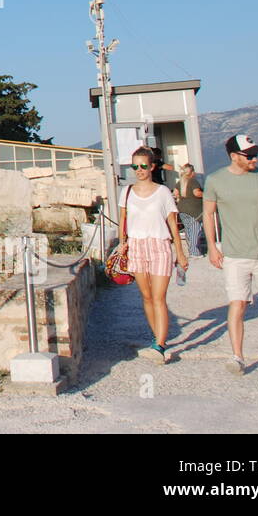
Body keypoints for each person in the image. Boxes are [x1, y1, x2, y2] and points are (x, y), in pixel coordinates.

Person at [203, 134, 258, 373]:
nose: (254, 158)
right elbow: (209, 215)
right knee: (237, 304)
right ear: (234, 156)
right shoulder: (215, 180)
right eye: (249, 155)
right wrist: (212, 247)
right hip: (235, 253)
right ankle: (237, 356)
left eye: (255, 154)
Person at [116, 145, 188, 363]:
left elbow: (173, 225)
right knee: (146, 297)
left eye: (143, 165)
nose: (139, 170)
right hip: (136, 245)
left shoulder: (163, 192)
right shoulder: (126, 192)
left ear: (152, 167)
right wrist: (122, 243)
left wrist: (180, 253)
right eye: (135, 166)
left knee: (159, 297)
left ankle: (160, 344)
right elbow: (123, 221)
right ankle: (157, 337)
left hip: (159, 245)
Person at [174, 164, 206, 256]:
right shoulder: (193, 181)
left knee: (188, 231)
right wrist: (206, 194)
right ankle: (195, 252)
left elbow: (175, 193)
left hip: (182, 209)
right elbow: (196, 193)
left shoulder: (180, 182)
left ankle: (191, 250)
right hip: (194, 210)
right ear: (192, 172)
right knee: (195, 231)